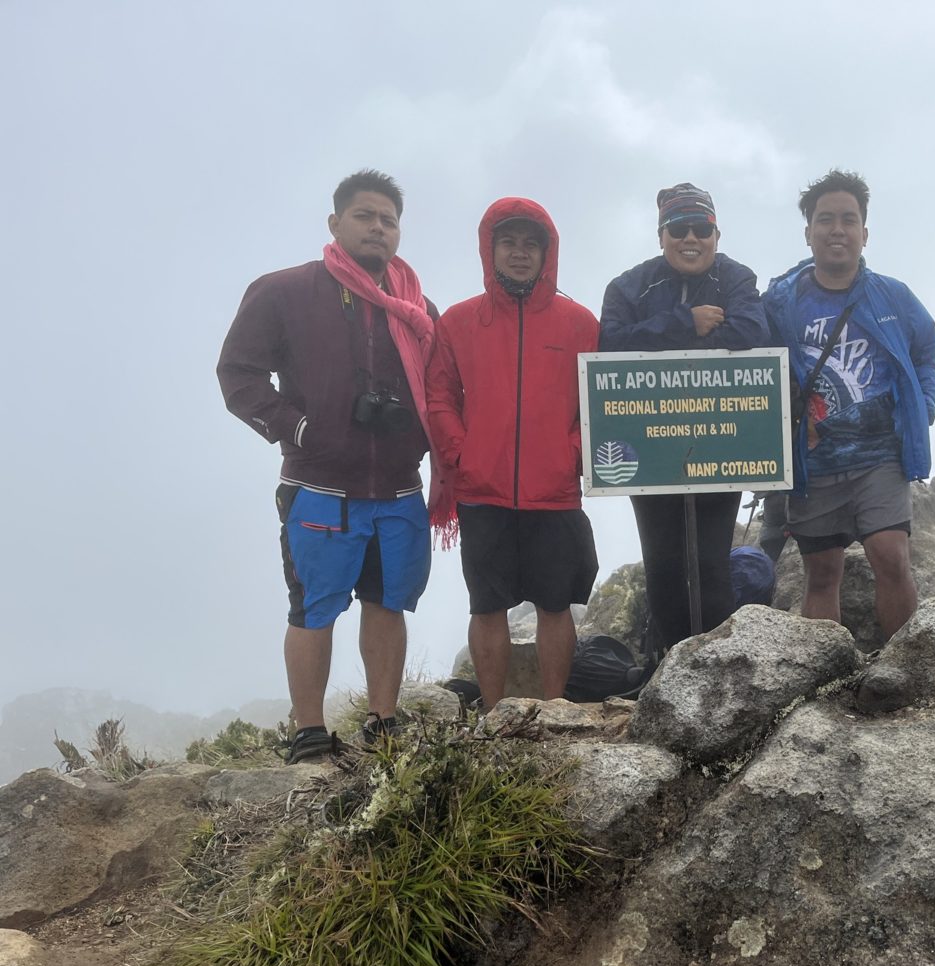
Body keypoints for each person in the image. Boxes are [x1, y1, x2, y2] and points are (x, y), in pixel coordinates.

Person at [218, 170, 444, 762]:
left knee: (387, 602)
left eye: (388, 220)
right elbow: (238, 375)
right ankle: (310, 732)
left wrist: (423, 443)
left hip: (397, 489)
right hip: (319, 486)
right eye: (365, 216)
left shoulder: (418, 307)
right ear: (335, 223)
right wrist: (298, 429)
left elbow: (440, 390)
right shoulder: (285, 291)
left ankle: (384, 720)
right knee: (314, 608)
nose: (378, 228)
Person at [425, 199, 600, 707]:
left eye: (531, 243)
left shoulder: (580, 324)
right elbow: (440, 396)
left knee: (555, 605)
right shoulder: (458, 323)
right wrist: (463, 454)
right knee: (486, 606)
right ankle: (493, 713)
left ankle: (553, 711)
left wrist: (571, 454)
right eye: (509, 242)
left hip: (556, 491)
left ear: (548, 252)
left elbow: (599, 403)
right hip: (484, 490)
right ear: (490, 249)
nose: (520, 253)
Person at [763, 170, 935, 640]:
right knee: (821, 573)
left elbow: (925, 351)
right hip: (813, 461)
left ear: (865, 232)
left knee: (891, 556)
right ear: (808, 232)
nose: (836, 229)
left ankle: (904, 669)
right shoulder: (782, 301)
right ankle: (824, 675)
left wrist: (922, 410)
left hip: (880, 456)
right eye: (825, 220)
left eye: (848, 219)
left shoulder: (892, 295)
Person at [598, 182, 770, 653]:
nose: (690, 238)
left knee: (712, 563)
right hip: (648, 449)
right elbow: (609, 346)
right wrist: (685, 322)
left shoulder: (736, 278)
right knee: (663, 563)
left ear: (716, 234)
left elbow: (752, 330)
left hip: (718, 445)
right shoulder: (628, 286)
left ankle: (718, 673)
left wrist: (656, 341)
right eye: (679, 228)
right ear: (661, 234)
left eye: (702, 228)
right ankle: (663, 670)